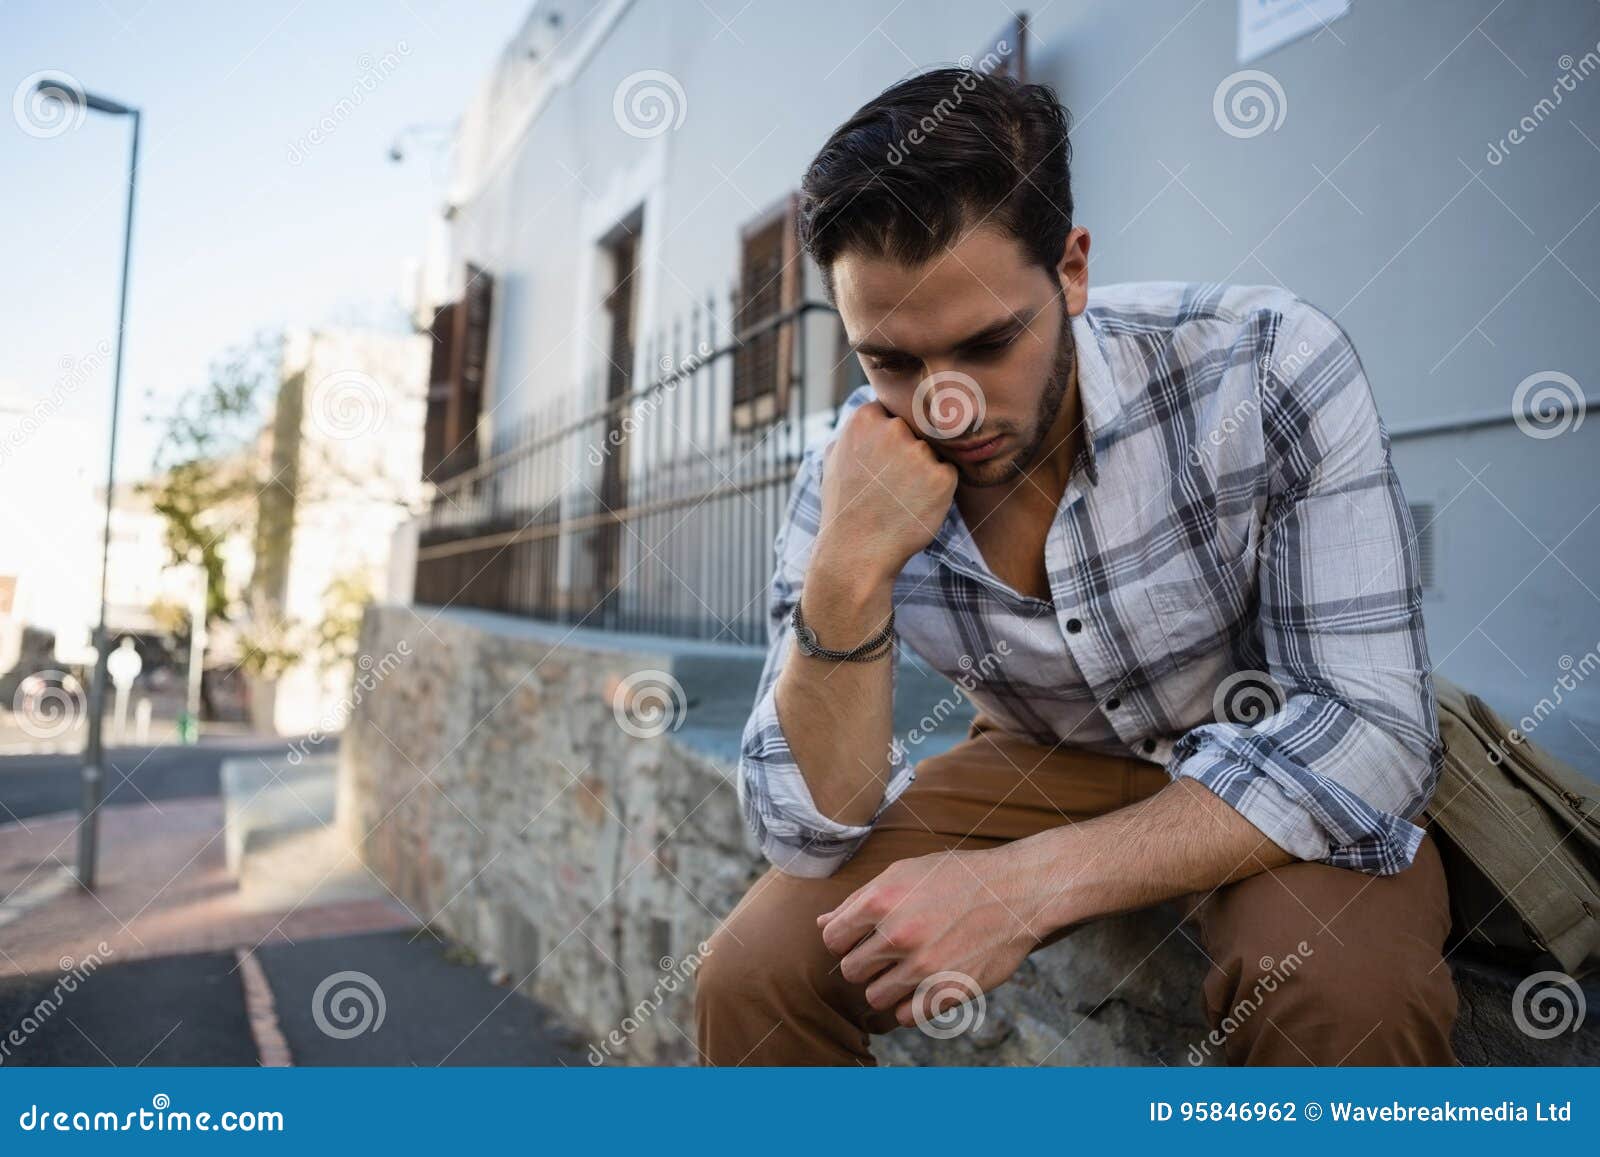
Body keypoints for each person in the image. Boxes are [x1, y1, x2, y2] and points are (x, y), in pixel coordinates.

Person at [694, 67, 1457, 1066]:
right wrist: (845, 575)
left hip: (1271, 736)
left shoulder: (1262, 363)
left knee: (1338, 992)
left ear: (1072, 269)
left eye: (986, 341)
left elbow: (1371, 722)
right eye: (890, 360)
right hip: (1039, 755)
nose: (943, 404)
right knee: (752, 972)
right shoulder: (849, 466)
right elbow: (803, 827)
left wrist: (1025, 886)